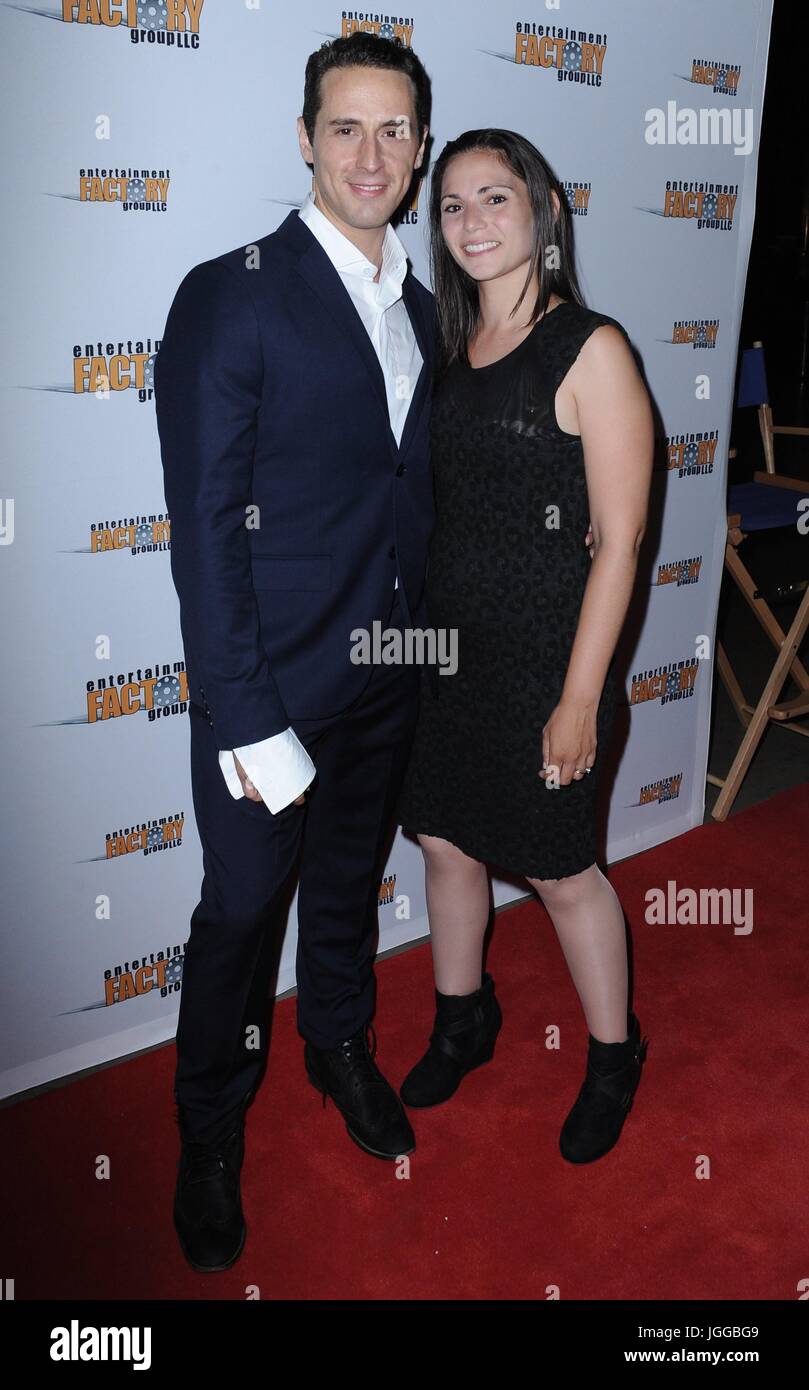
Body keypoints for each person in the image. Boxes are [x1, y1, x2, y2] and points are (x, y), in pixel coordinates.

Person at [154, 32, 436, 1272]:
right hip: (263, 696)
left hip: (383, 676)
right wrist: (244, 714)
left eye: (394, 130)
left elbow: (405, 500)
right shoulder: (235, 289)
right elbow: (205, 525)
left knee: (344, 890)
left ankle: (336, 1047)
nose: (370, 154)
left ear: (418, 148)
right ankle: (208, 1133)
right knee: (235, 917)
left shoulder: (424, 307)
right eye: (346, 128)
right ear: (306, 138)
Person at [395, 129, 655, 1165]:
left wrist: (580, 697)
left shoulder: (589, 346)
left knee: (558, 870)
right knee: (446, 846)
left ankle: (611, 1054)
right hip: (450, 660)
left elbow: (620, 539)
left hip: (550, 664)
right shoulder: (450, 355)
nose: (471, 223)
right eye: (452, 205)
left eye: (493, 199)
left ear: (544, 208)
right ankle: (464, 1018)